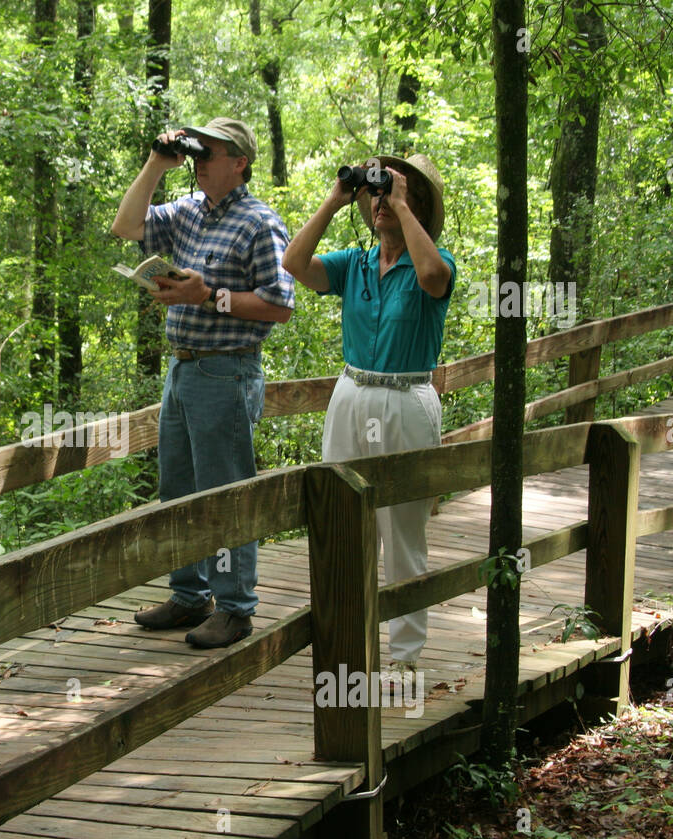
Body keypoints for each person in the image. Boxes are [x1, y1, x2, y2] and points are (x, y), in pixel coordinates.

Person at [111, 117, 295, 649]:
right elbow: (126, 227)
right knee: (179, 489)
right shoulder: (187, 211)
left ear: (239, 163)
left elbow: (280, 306)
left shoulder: (261, 223)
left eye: (208, 152)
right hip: (182, 365)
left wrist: (208, 294)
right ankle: (189, 595)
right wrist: (156, 163)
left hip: (227, 368)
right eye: (196, 150)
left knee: (225, 492)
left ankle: (235, 608)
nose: (198, 159)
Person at [282, 154, 454, 675]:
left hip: (406, 398)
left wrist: (402, 207)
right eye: (372, 193)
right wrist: (336, 198)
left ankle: (404, 657)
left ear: (417, 203)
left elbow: (431, 277)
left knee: (402, 530)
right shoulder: (353, 265)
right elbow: (293, 264)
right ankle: (346, 643)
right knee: (342, 520)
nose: (378, 202)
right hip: (351, 393)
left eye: (392, 192)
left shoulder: (435, 259)